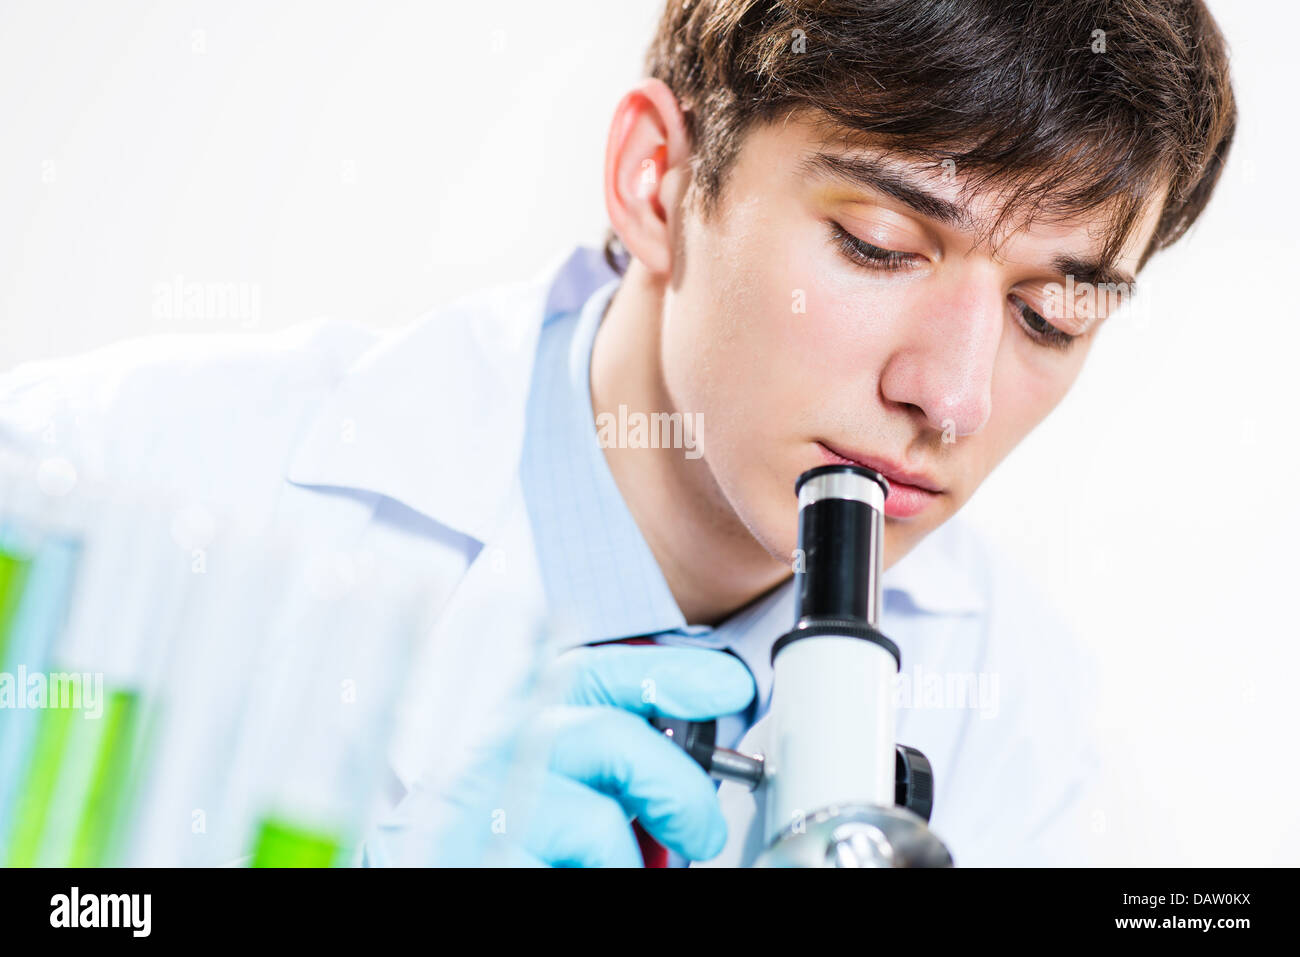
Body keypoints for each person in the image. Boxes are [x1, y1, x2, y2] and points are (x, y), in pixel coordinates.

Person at [0, 0, 1235, 867]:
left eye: (1051, 312)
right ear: (656, 180)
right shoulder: (96, 484)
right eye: (877, 247)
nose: (950, 397)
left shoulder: (1011, 696)